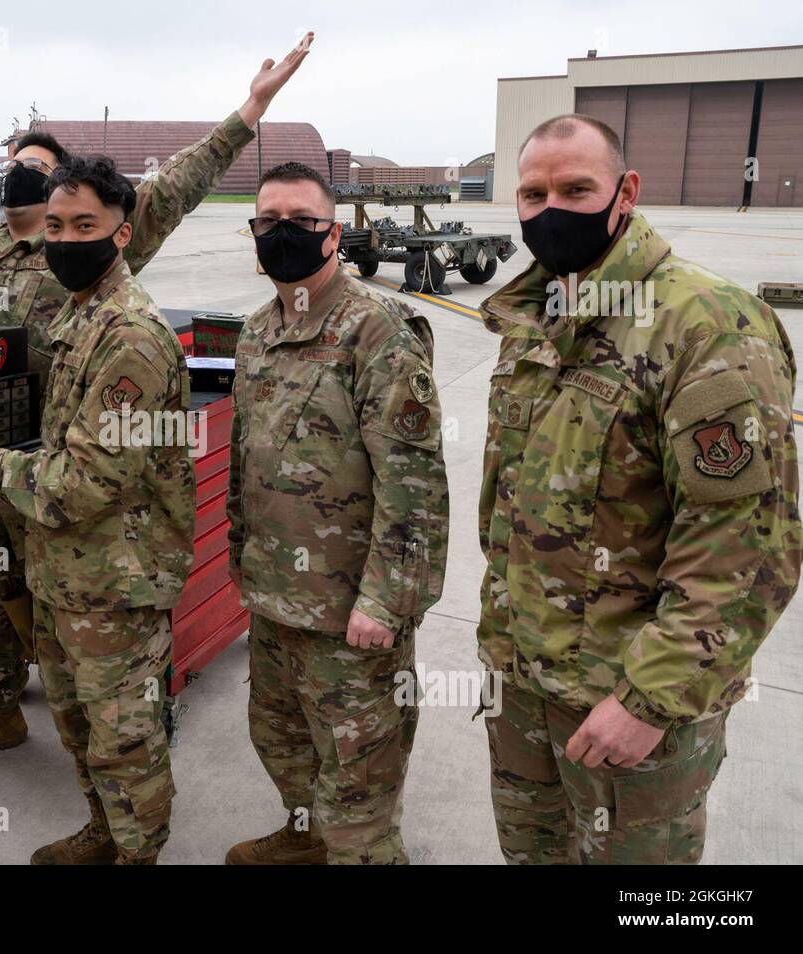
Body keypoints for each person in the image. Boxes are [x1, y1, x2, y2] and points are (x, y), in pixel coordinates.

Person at [0, 33, 314, 771]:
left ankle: (110, 737)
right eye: (14, 167)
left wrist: (250, 110)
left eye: (39, 169)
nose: (22, 177)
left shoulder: (97, 236)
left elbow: (187, 178)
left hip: (65, 468)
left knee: (74, 610)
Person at [478, 113, 800, 864]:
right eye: (532, 193)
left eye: (576, 188)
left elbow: (749, 553)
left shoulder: (706, 325)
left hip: (630, 705)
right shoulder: (537, 317)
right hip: (526, 687)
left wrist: (648, 702)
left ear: (626, 192)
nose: (550, 208)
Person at [0, 155, 192, 864]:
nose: (64, 238)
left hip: (117, 585)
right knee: (79, 727)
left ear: (121, 234)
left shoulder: (130, 336)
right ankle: (103, 832)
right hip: (65, 573)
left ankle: (137, 850)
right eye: (54, 225)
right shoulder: (79, 316)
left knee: (126, 742)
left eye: (85, 224)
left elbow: (86, 480)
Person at [224, 162, 449, 865]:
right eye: (268, 223)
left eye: (301, 221)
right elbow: (245, 462)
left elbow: (414, 484)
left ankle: (353, 849)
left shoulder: (378, 331)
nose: (282, 234)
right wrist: (241, 562)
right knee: (281, 741)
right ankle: (305, 838)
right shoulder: (258, 332)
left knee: (360, 787)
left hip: (352, 614)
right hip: (275, 597)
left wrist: (385, 602)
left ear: (335, 233)